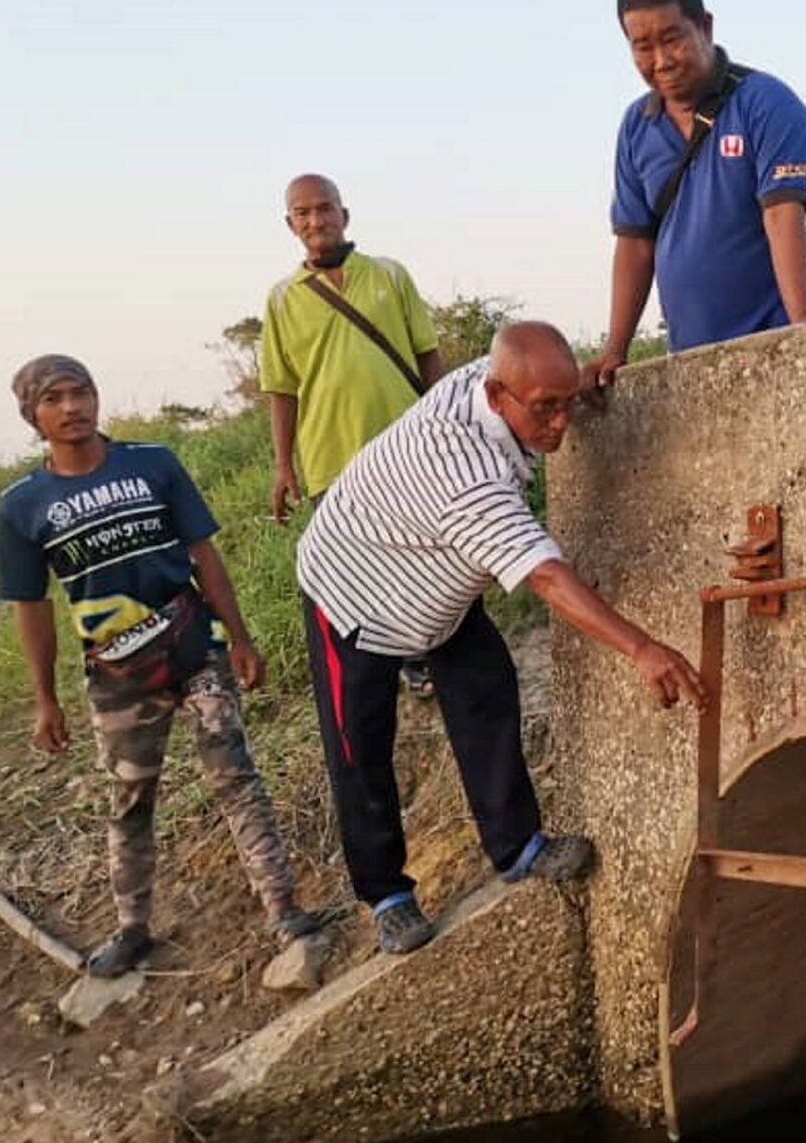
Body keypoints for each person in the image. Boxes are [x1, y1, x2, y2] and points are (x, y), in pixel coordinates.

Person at [296, 321, 707, 954]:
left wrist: (586, 380)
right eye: (545, 409)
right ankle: (387, 896)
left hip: (434, 578)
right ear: (496, 396)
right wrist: (642, 649)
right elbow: (545, 576)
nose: (561, 424)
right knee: (360, 745)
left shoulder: (493, 382)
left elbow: (545, 383)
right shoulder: (463, 475)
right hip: (353, 587)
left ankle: (517, 846)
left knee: (487, 690)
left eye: (566, 403)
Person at [0, 355, 318, 978]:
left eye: (81, 392)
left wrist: (241, 639)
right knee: (131, 798)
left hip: (195, 647)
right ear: (32, 415)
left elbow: (204, 554)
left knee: (235, 775)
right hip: (117, 675)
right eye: (53, 399)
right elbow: (31, 607)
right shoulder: (22, 505)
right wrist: (45, 699)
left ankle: (283, 909)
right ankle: (132, 928)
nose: (72, 407)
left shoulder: (153, 463)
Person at [583, 0, 806, 392]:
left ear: (704, 26)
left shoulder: (767, 103)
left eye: (672, 39)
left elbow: (782, 214)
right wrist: (616, 348)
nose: (661, 61)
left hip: (773, 345)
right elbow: (635, 242)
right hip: (690, 363)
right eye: (643, 48)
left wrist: (804, 329)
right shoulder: (636, 126)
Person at [260, 172, 443, 696]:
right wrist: (283, 465)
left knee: (426, 548)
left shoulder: (389, 274)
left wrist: (444, 425)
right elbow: (282, 390)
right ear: (290, 224)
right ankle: (399, 660)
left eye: (324, 208)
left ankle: (432, 650)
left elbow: (427, 354)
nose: (315, 220)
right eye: (303, 213)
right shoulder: (281, 299)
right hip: (330, 455)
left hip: (408, 444)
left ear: (344, 214)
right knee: (367, 564)